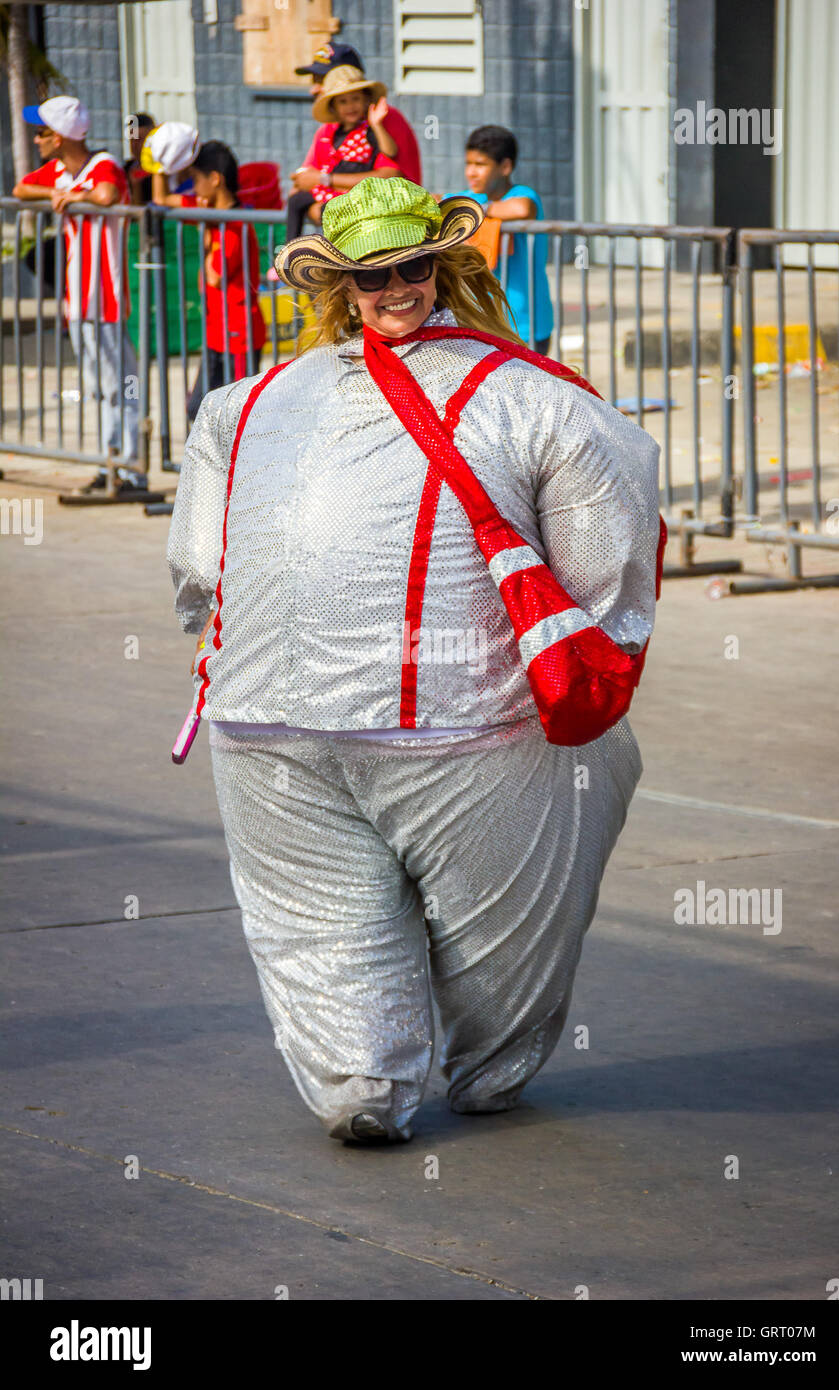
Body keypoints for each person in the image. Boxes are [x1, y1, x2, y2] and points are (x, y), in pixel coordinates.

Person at [167, 177, 663, 1146]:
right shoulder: (533, 399)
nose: (394, 288)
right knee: (499, 914)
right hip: (449, 723)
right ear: (341, 284)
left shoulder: (243, 404)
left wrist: (223, 639)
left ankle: (363, 1075)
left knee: (319, 919)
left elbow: (197, 572)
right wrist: (599, 644)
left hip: (263, 710)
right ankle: (482, 1065)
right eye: (373, 274)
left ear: (437, 266)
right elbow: (610, 562)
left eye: (407, 267)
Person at [13, 95, 145, 492]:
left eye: (42, 133)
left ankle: (129, 464)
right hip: (79, 299)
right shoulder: (57, 171)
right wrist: (56, 193)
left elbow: (106, 195)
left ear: (61, 137)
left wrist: (74, 196)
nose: (36, 141)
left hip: (105, 296)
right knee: (100, 384)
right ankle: (112, 461)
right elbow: (21, 189)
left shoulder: (101, 163)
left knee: (124, 382)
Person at [183, 140, 266, 424]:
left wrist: (207, 233)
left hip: (238, 334)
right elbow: (202, 283)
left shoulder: (232, 227)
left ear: (215, 179)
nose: (194, 188)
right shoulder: (219, 223)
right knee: (199, 407)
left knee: (237, 412)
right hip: (217, 331)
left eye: (196, 179)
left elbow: (213, 277)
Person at [453, 124, 554, 354]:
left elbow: (521, 208)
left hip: (525, 323)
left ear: (505, 166)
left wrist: (475, 209)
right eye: (469, 163)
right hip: (484, 322)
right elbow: (441, 200)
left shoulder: (523, 195)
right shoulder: (472, 197)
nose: (471, 172)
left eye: (480, 164)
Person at [286, 64, 399, 240]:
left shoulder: (370, 131)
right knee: (296, 200)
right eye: (343, 102)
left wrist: (377, 124)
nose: (350, 106)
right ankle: (289, 250)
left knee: (329, 211)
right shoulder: (331, 134)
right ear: (334, 107)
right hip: (329, 190)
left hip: (351, 196)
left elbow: (390, 152)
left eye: (355, 99)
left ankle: (334, 254)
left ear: (366, 101)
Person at [295, 41, 421, 184]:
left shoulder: (383, 119)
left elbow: (389, 175)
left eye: (321, 81)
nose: (314, 90)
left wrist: (324, 179)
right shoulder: (332, 127)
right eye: (314, 81)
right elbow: (306, 178)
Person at [124, 111, 155, 206]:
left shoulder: (165, 169)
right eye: (131, 139)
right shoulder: (126, 170)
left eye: (139, 139)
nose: (134, 144)